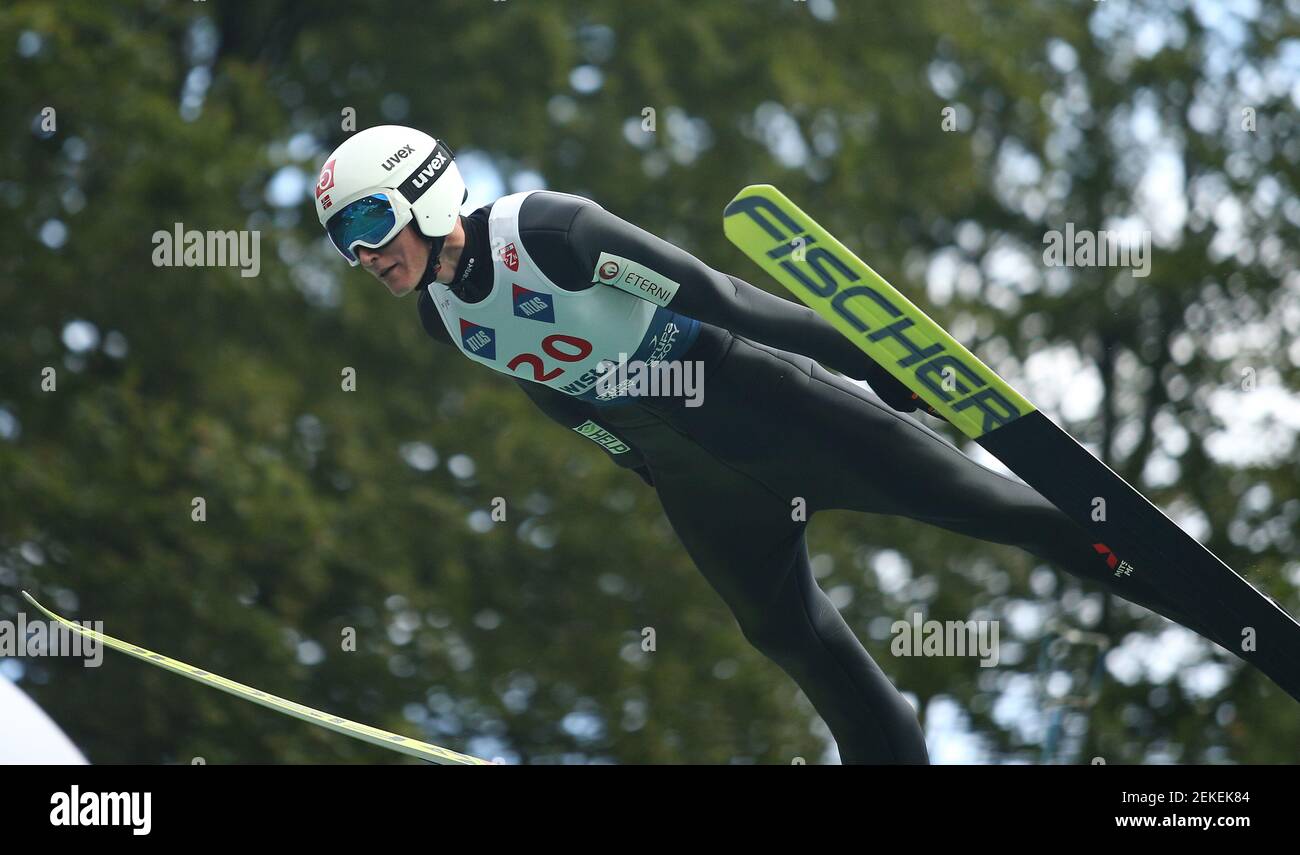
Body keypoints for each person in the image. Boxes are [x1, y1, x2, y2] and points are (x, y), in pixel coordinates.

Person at [315, 125, 1229, 763]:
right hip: (692, 478)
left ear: (424, 194)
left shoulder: (553, 233)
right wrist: (627, 451)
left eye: (367, 223)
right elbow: (546, 386)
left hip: (763, 404)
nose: (363, 255)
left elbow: (722, 298)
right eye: (343, 242)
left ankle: (1192, 590)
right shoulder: (442, 321)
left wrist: (865, 355)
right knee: (787, 635)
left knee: (993, 507)